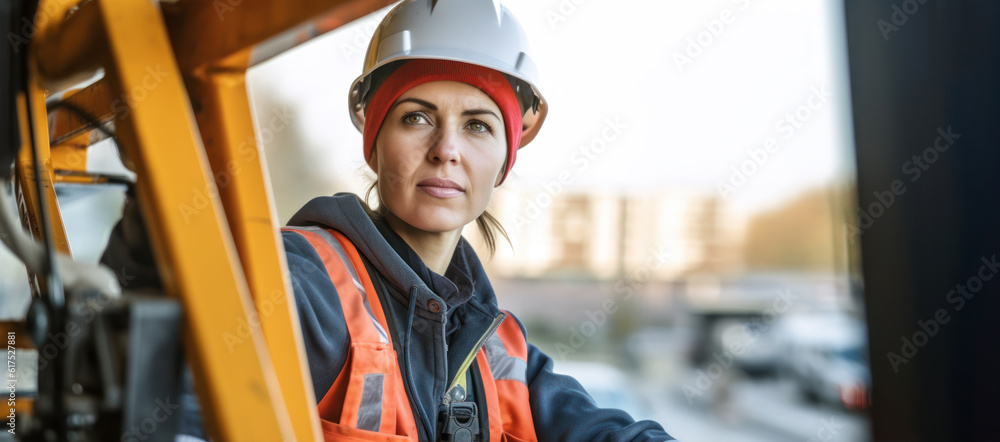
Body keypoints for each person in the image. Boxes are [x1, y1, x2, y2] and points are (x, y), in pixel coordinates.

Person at [280, 0, 678, 440]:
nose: (446, 149)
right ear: (374, 139)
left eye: (478, 126)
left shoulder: (500, 347)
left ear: (506, 158)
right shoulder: (303, 280)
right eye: (416, 117)